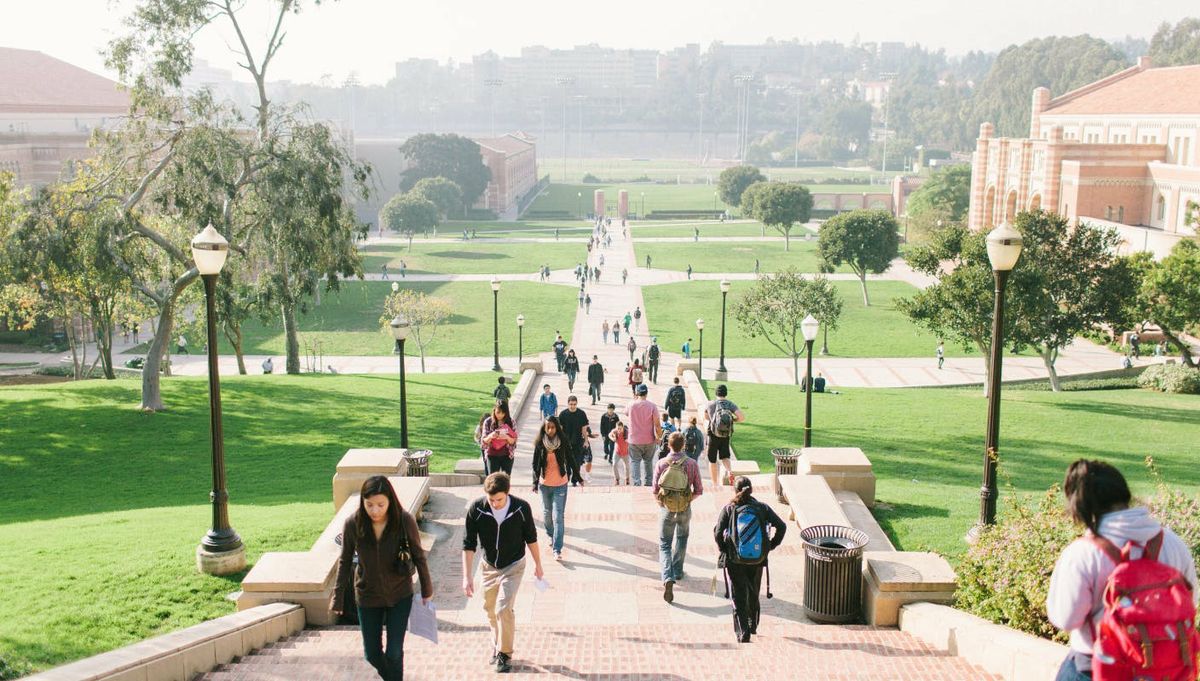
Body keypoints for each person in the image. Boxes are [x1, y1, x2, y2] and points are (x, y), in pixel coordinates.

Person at [1047, 459, 1198, 681]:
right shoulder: (1172, 543)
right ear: (1124, 494)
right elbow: (1191, 600)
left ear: (1080, 507)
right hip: (1164, 670)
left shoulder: (1083, 553)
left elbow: (1066, 619)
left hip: (1098, 668)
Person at [332, 476, 433, 681]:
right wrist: (338, 596)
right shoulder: (353, 523)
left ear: (390, 501)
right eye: (369, 505)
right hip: (367, 596)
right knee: (372, 655)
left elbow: (419, 556)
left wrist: (426, 589)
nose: (375, 511)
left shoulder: (404, 520)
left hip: (400, 594)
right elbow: (344, 560)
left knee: (394, 652)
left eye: (380, 505)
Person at [462, 472, 544, 674]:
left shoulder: (521, 508)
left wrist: (538, 564)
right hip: (489, 566)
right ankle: (497, 644)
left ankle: (504, 654)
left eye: (499, 500)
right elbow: (468, 544)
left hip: (514, 565)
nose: (495, 504)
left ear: (507, 493)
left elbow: (531, 538)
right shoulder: (477, 509)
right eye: (491, 500)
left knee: (503, 608)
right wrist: (467, 576)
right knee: (490, 609)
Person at [714, 477, 786, 643]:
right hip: (757, 558)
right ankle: (753, 625)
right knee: (753, 591)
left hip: (735, 559)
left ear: (735, 490)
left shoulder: (729, 509)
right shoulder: (762, 508)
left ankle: (743, 632)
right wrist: (769, 546)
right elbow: (782, 526)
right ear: (751, 490)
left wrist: (725, 549)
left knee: (739, 594)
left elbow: (718, 533)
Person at [653, 432, 703, 603]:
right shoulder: (692, 463)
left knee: (664, 544)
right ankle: (678, 571)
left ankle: (667, 576)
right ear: (683, 445)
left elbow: (655, 490)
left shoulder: (661, 463)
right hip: (684, 508)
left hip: (667, 509)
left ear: (668, 445)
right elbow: (698, 490)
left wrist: (663, 504)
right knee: (682, 538)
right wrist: (687, 500)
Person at [531, 417, 573, 561]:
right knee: (547, 514)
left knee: (558, 516)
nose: (550, 430)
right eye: (548, 427)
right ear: (544, 428)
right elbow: (535, 464)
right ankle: (550, 534)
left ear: (557, 428)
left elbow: (570, 458)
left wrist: (577, 476)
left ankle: (557, 549)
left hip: (560, 484)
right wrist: (535, 482)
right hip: (545, 485)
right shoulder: (540, 444)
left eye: (553, 427)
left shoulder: (562, 442)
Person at [704, 385, 746, 488]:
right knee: (725, 457)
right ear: (726, 393)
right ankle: (729, 471)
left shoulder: (710, 404)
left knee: (712, 460)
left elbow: (705, 417)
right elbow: (741, 417)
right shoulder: (730, 404)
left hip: (713, 435)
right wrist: (733, 420)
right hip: (725, 435)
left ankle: (715, 484)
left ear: (716, 393)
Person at [625, 383, 662, 486]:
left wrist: (634, 399)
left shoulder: (631, 405)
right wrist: (659, 436)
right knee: (648, 461)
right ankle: (648, 482)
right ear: (646, 393)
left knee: (635, 461)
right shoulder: (652, 406)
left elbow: (626, 413)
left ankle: (637, 483)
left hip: (634, 439)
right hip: (649, 439)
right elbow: (657, 424)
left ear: (637, 393)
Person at [557, 396, 592, 484]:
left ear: (576, 404)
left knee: (577, 462)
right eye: (571, 404)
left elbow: (584, 430)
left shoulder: (581, 414)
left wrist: (586, 441)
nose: (572, 406)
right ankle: (568, 476)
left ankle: (575, 480)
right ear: (568, 404)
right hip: (566, 443)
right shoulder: (563, 414)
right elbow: (560, 430)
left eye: (574, 404)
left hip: (578, 442)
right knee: (567, 463)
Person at [480, 400, 518, 477]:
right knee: (493, 479)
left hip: (507, 455)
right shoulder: (488, 422)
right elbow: (484, 441)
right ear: (494, 410)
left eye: (503, 413)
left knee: (505, 479)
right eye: (498, 412)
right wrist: (491, 435)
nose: (500, 415)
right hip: (492, 455)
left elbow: (513, 442)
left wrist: (506, 437)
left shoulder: (511, 422)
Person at [609, 419, 631, 485]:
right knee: (614, 464)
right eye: (618, 428)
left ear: (623, 427)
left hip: (625, 452)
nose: (619, 430)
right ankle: (617, 479)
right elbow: (609, 435)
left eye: (620, 428)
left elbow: (633, 437)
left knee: (627, 467)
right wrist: (613, 438)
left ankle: (627, 479)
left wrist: (629, 440)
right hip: (617, 452)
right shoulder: (615, 431)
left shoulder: (627, 432)